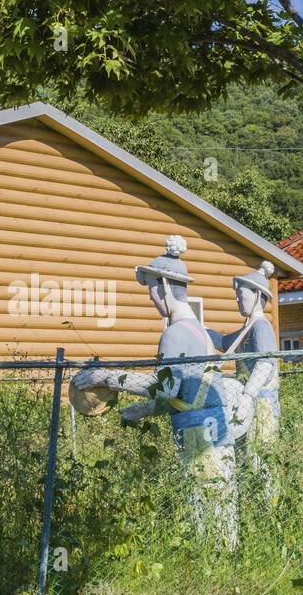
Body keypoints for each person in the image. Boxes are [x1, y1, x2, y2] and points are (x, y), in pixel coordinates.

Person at [72, 236, 245, 550]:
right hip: (216, 432)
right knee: (223, 515)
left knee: (206, 516)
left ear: (164, 286)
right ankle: (228, 574)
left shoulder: (174, 334)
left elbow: (163, 387)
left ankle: (214, 581)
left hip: (199, 439)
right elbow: (183, 395)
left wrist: (107, 377)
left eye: (151, 288)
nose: (151, 297)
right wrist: (141, 411)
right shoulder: (199, 332)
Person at [222, 261, 281, 480]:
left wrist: (247, 395)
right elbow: (223, 341)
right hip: (250, 405)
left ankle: (268, 507)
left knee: (261, 457)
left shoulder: (261, 327)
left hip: (262, 405)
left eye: (241, 295)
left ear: (257, 295)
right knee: (248, 456)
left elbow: (265, 364)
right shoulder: (247, 329)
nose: (238, 300)